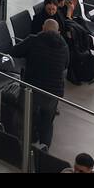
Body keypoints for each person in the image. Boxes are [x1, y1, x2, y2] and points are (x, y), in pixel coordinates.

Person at [11, 19, 69, 148]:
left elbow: (15, 52)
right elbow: (65, 65)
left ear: (43, 28)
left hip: (32, 89)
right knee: (47, 124)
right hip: (53, 93)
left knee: (23, 117)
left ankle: (21, 148)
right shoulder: (64, 45)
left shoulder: (34, 40)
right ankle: (44, 151)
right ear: (58, 32)